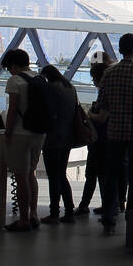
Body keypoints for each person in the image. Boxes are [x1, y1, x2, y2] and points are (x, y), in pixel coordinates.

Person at [93, 33, 133, 235]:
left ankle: (109, 216)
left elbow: (102, 106)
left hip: (114, 132)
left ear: (120, 50)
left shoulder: (108, 75)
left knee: (111, 175)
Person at [1, 49, 47, 233]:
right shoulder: (40, 79)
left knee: (20, 177)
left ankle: (23, 220)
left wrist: (8, 131)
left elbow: (13, 109)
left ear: (13, 65)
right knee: (31, 174)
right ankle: (34, 214)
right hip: (39, 133)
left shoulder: (15, 80)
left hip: (21, 133)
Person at [39, 65, 78, 224]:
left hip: (53, 137)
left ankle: (54, 212)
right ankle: (69, 210)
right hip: (67, 137)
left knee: (54, 176)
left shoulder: (49, 88)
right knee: (61, 174)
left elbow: (45, 110)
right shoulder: (70, 88)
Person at [75, 61, 108, 216]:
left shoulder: (104, 95)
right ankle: (107, 204)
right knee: (101, 175)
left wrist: (89, 115)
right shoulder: (110, 94)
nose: (93, 82)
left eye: (94, 79)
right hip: (104, 141)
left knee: (93, 175)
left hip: (98, 141)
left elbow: (101, 117)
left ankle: (84, 205)